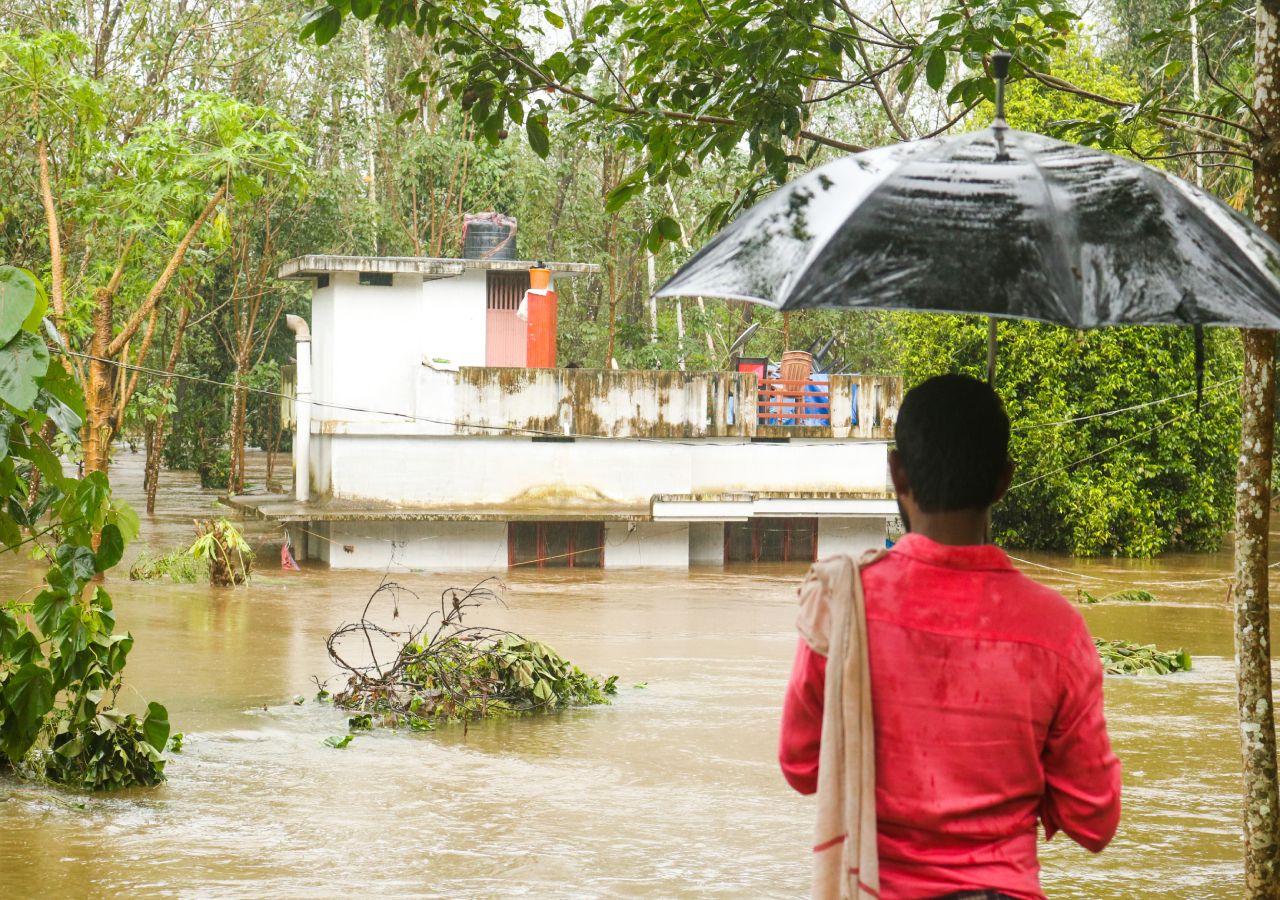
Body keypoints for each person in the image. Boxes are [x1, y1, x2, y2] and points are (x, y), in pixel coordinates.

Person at [779, 373, 1121, 900]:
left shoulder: (842, 602)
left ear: (896, 473)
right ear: (1005, 480)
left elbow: (802, 767)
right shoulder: (1059, 630)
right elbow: (1094, 820)